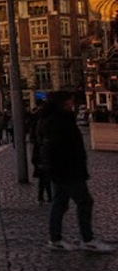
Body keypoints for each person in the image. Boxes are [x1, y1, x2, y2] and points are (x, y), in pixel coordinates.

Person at [37, 91, 113, 252]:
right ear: (63, 103)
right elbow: (59, 148)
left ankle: (55, 239)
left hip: (62, 170)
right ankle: (88, 239)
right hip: (68, 170)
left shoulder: (55, 120)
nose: (73, 104)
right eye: (70, 101)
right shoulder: (60, 121)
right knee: (84, 202)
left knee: (60, 203)